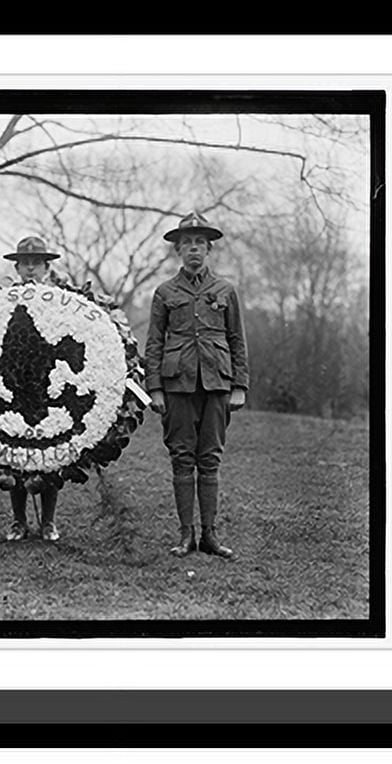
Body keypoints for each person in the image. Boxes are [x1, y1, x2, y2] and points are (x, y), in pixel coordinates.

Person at [144, 211, 249, 559]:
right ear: (178, 251)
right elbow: (154, 343)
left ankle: (210, 536)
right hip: (177, 386)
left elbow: (237, 340)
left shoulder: (225, 290)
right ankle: (186, 535)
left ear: (209, 250)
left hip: (217, 383)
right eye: (187, 244)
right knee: (181, 457)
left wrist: (240, 386)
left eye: (200, 244)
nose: (194, 250)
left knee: (210, 459)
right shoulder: (164, 292)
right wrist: (155, 388)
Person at [0, 236, 68, 542]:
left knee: (50, 451)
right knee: (16, 450)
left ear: (47, 268)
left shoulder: (62, 299)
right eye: (26, 263)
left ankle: (48, 521)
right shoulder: (4, 297)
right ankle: (19, 520)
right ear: (18, 267)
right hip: (15, 381)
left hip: (48, 382)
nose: (31, 269)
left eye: (37, 263)